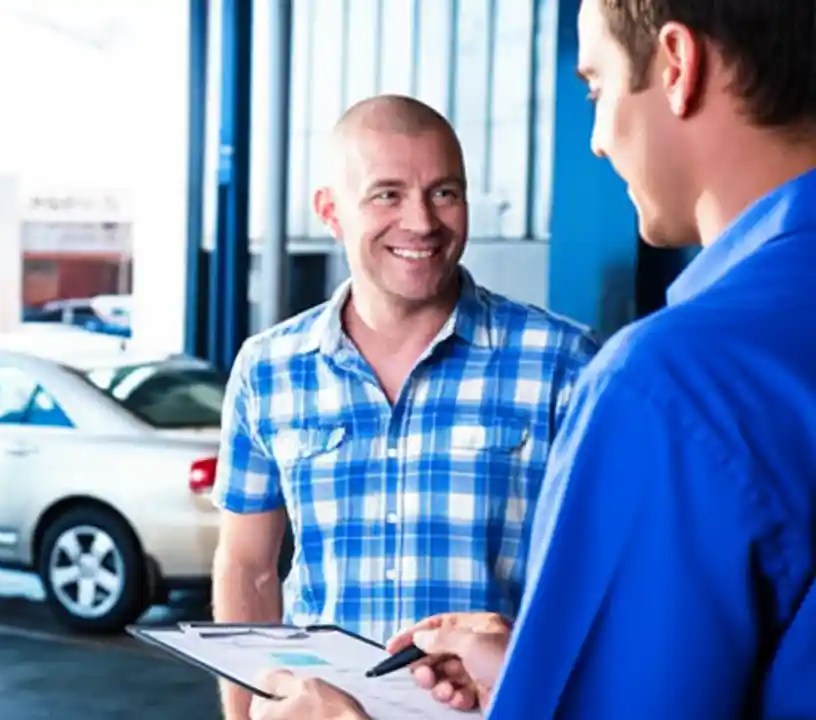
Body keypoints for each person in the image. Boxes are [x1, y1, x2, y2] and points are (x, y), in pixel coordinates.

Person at [249, 0, 816, 717]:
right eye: (387, 194)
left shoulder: (667, 385)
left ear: (677, 66)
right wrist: (529, 670)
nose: (599, 140)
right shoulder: (268, 365)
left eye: (596, 87)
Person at [211, 95, 598, 719]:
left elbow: (603, 584)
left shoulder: (563, 363)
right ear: (331, 212)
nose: (422, 222)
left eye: (444, 192)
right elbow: (250, 566)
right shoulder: (268, 369)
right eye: (387, 194)